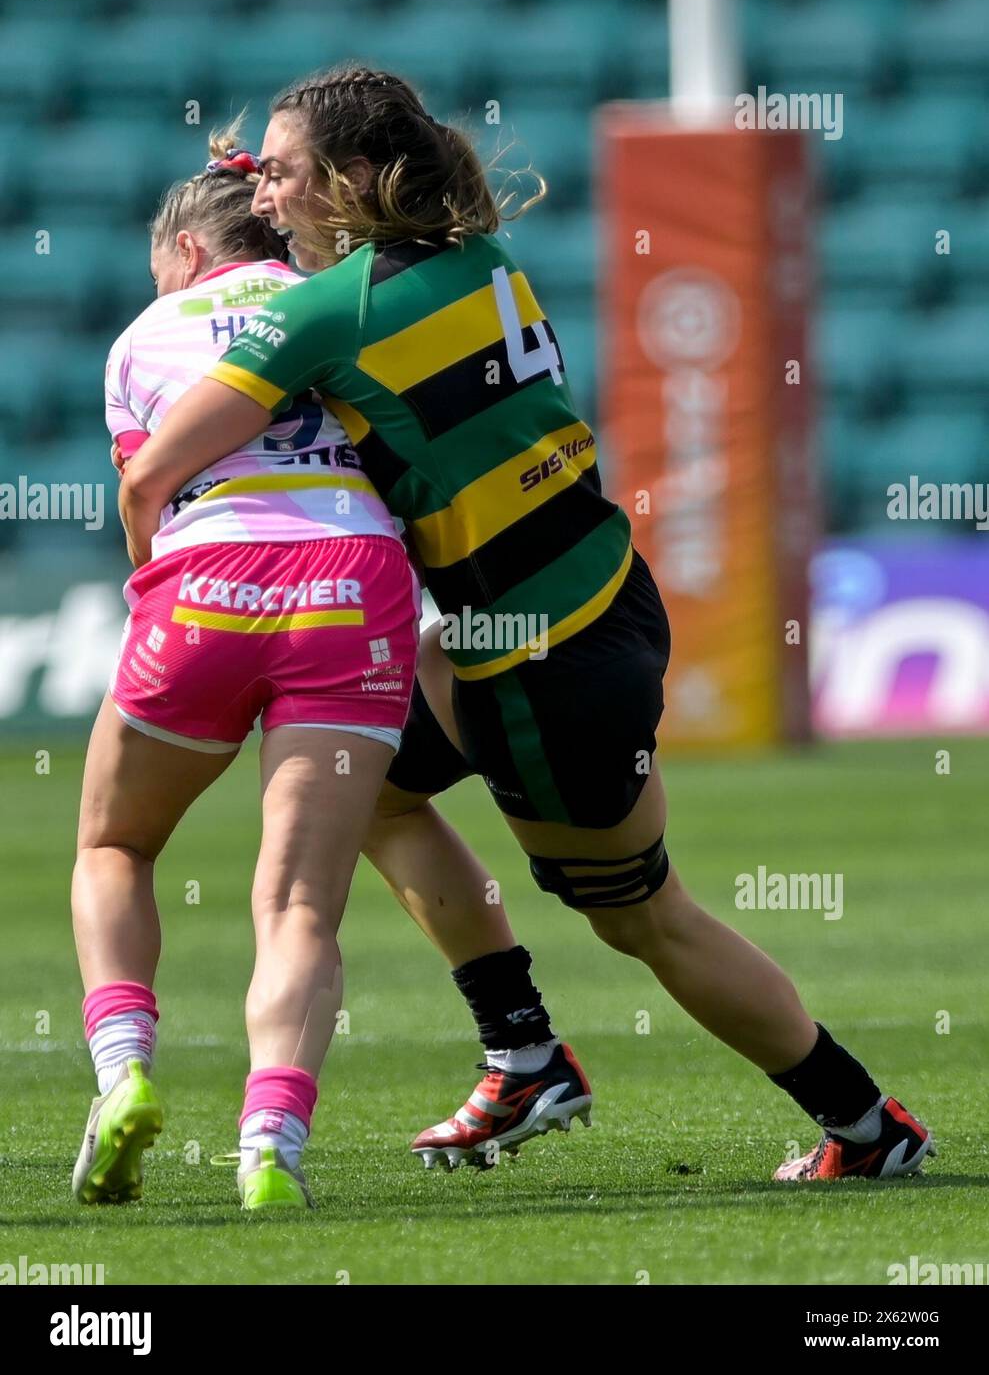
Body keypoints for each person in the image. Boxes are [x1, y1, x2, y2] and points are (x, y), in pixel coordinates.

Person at [128, 66, 933, 1183]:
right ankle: (522, 1055)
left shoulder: (324, 312)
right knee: (375, 790)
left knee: (646, 917)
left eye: (282, 173)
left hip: (535, 664)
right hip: (588, 598)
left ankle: (866, 1127)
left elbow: (161, 466)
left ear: (354, 178)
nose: (263, 195)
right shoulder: (477, 253)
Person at [71, 129, 420, 1212]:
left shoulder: (137, 343)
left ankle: (124, 1073)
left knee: (115, 842)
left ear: (182, 249)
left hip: (207, 577)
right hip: (353, 579)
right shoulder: (342, 299)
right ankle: (270, 1141)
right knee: (301, 903)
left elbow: (147, 491)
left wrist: (161, 592)